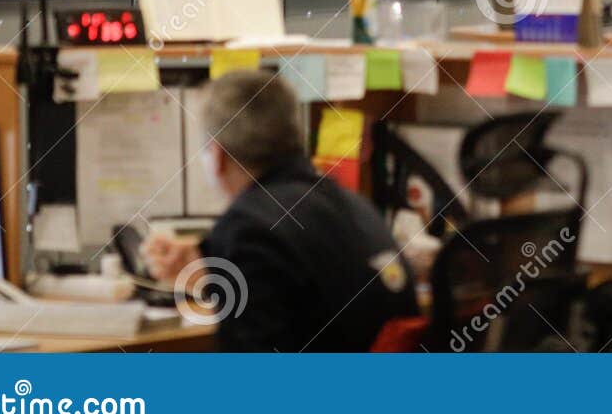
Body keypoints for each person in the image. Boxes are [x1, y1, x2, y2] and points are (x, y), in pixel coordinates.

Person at [143, 70, 420, 351]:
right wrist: (204, 268)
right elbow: (298, 287)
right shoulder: (352, 204)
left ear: (217, 156)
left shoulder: (249, 226)